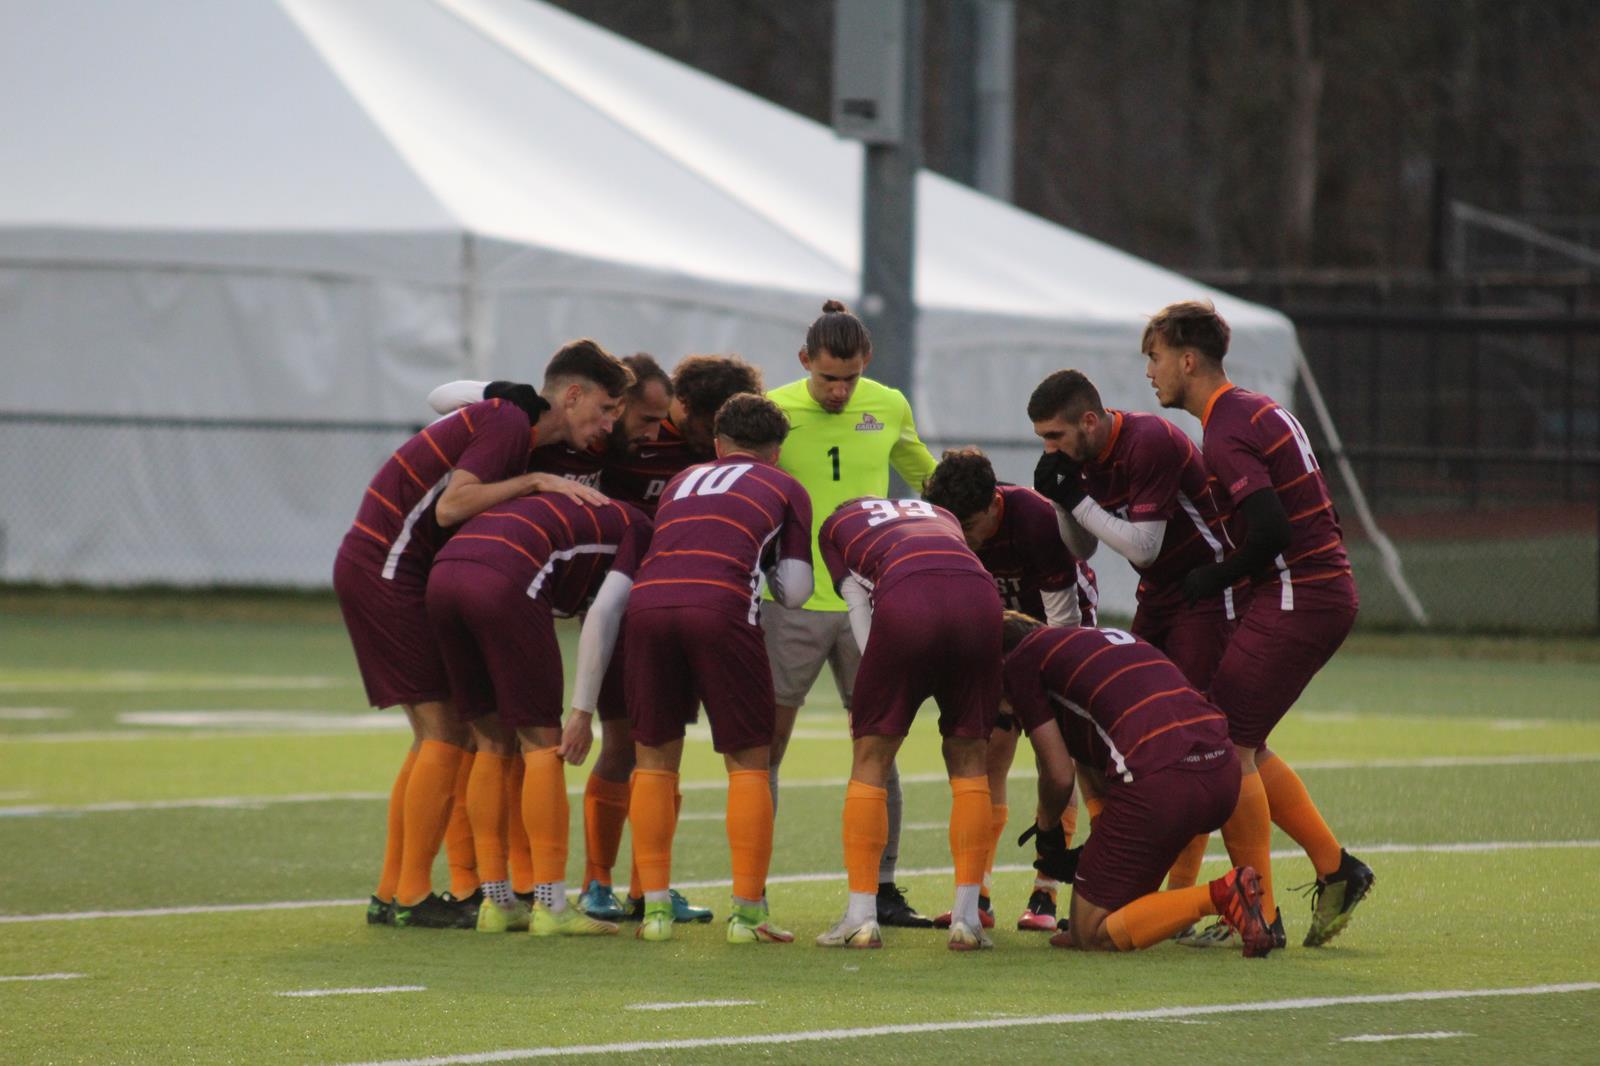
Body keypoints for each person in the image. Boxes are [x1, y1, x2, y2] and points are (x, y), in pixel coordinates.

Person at [427, 354, 764, 925]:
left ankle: (636, 889)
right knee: (604, 740)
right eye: (639, 417)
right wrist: (507, 393)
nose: (650, 431)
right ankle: (582, 887)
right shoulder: (567, 435)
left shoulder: (703, 456)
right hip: (598, 592)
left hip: (639, 593)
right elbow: (444, 401)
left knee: (651, 741)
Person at [335, 339, 627, 928]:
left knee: (434, 738)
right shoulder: (510, 423)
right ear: (572, 395)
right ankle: (412, 898)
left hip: (384, 564)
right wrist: (535, 482)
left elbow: (452, 403)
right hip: (390, 567)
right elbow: (451, 507)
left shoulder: (507, 415)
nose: (607, 427)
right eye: (605, 410)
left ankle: (393, 890)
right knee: (446, 734)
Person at [1144, 299, 1374, 948]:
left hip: (1301, 592)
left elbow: (1271, 527)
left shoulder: (1226, 426)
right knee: (1242, 738)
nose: (1150, 372)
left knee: (1226, 745)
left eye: (1155, 358)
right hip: (1308, 590)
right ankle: (1335, 868)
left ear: (1189, 360)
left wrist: (1211, 579)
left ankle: (1263, 910)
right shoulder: (1253, 408)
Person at [1026, 368, 1240, 901]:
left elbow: (1142, 546)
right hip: (1163, 595)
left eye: (1055, 436)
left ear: (1090, 421)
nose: (1050, 448)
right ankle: (1125, 872)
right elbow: (1082, 548)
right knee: (1124, 722)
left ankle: (1184, 893)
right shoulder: (1084, 458)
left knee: (1194, 740)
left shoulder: (1148, 441)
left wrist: (1074, 500)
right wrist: (1060, 499)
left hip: (1206, 591)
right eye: (1042, 440)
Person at [765, 300, 938, 928]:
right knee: (766, 748)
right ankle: (750, 894)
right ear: (804, 361)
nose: (839, 391)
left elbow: (929, 477)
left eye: (850, 378)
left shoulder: (888, 404)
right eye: (827, 378)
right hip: (792, 604)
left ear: (866, 365)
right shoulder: (774, 411)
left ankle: (884, 889)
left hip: (872, 599)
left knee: (878, 746)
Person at [624, 393, 813, 944]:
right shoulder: (784, 486)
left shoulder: (683, 479)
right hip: (720, 610)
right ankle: (747, 913)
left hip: (647, 607)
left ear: (717, 444)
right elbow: (796, 591)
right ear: (777, 451)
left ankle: (654, 911)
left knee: (655, 759)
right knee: (749, 760)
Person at [426, 492, 651, 936]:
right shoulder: (643, 528)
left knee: (490, 742)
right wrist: (582, 713)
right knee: (541, 743)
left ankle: (496, 902)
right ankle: (550, 902)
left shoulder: (597, 515)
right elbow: (603, 613)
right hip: (507, 576)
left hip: (443, 575)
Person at [1001, 612, 1274, 957]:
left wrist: (1047, 831)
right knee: (1112, 910)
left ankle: (1221, 894)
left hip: (1161, 782)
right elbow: (1097, 769)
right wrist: (1099, 853)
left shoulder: (1022, 661)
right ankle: (1220, 898)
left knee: (1090, 932)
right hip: (1221, 769)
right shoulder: (1092, 645)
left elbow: (1058, 776)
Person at [812, 494, 1003, 951]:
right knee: (971, 758)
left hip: (906, 600)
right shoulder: (943, 512)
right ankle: (967, 919)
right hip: (980, 599)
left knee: (872, 755)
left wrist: (879, 666)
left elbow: (858, 602)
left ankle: (861, 917)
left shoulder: (835, 527)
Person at [921, 448, 1088, 933]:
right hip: (995, 637)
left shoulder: (1036, 521)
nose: (964, 539)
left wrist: (1037, 686)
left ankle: (1046, 891)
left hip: (1057, 634)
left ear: (996, 504)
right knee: (989, 751)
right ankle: (978, 893)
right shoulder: (946, 528)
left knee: (1055, 757)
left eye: (971, 526)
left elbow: (1065, 621)